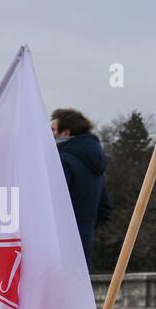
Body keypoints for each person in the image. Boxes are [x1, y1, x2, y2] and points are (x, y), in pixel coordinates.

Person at [52, 108, 112, 264]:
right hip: (83, 246)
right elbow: (104, 209)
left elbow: (52, 203)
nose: (48, 134)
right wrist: (83, 228)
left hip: (56, 247)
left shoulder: (61, 160)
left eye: (52, 129)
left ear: (66, 133)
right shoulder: (95, 164)